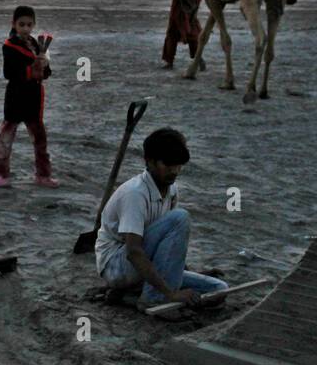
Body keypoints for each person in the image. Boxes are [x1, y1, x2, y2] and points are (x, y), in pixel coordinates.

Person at [95, 128, 227, 308]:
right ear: (149, 161)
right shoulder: (135, 193)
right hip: (117, 266)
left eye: (178, 165)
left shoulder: (171, 189)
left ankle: (129, 298)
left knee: (219, 289)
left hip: (143, 262)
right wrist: (171, 293)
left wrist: (184, 271)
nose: (175, 171)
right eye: (168, 164)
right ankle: (153, 298)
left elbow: (169, 243)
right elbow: (133, 252)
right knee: (180, 218)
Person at [0, 5, 58, 188]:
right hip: (16, 98)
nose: (26, 28)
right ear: (14, 24)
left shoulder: (36, 44)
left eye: (29, 24)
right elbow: (8, 72)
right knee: (6, 138)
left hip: (34, 98)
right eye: (22, 24)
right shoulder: (9, 46)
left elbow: (46, 73)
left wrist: (44, 66)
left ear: (33, 25)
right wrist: (32, 69)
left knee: (40, 140)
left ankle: (43, 175)